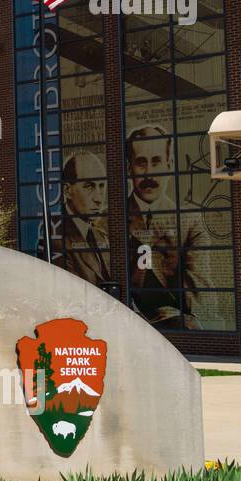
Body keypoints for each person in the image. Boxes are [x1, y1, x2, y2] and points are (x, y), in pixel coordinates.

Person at [125, 125, 202, 329]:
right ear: (129, 168)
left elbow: (198, 295)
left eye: (157, 162)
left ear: (169, 165)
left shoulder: (190, 223)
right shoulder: (104, 223)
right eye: (141, 163)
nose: (149, 173)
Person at [58, 152, 111, 286]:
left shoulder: (101, 237)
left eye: (101, 186)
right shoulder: (56, 237)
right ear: (67, 190)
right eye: (89, 186)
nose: (99, 199)